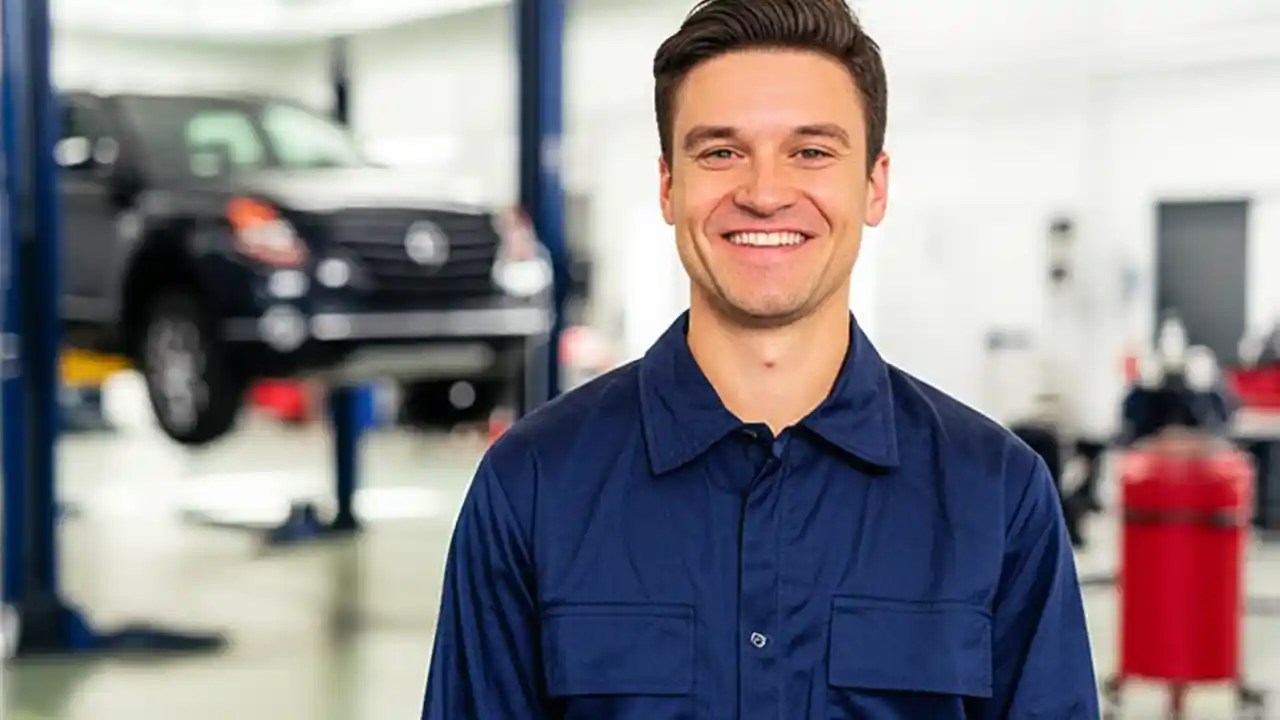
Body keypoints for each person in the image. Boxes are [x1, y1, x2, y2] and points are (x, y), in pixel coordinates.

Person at [421, 0, 1099, 717]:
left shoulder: (995, 493)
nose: (765, 194)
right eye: (721, 151)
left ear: (874, 185)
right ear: (667, 187)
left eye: (811, 151)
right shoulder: (533, 485)